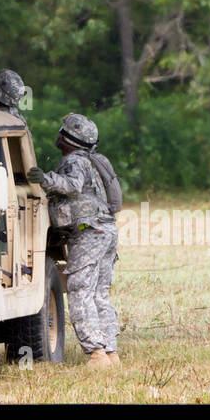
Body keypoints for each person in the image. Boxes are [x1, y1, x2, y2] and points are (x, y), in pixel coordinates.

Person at [27, 112, 122, 368]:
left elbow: (72, 186)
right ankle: (111, 353)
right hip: (106, 231)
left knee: (81, 291)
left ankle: (97, 353)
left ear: (69, 139)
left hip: (89, 232)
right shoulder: (92, 161)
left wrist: (43, 179)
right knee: (100, 293)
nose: (58, 135)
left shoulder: (74, 162)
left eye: (62, 132)